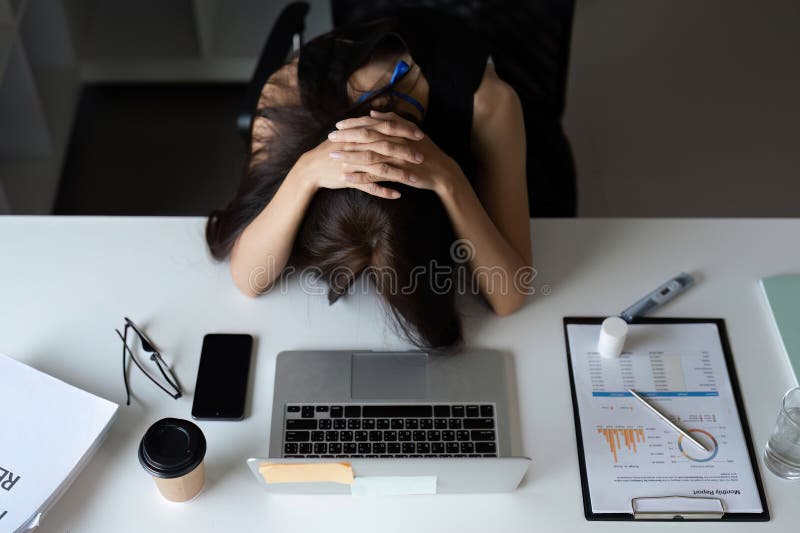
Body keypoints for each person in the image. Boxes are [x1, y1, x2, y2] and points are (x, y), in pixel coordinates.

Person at [206, 8, 532, 350]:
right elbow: (247, 278)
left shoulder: (489, 105)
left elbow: (509, 297)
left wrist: (450, 180)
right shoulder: (286, 98)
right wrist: (304, 174)